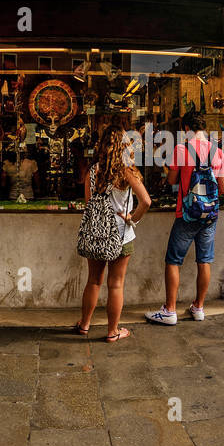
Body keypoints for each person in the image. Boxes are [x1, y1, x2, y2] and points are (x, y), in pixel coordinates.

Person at [71, 128, 148, 342]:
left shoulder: (93, 171)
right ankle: (112, 331)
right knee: (116, 283)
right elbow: (147, 201)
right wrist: (132, 219)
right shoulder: (127, 171)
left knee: (94, 281)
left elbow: (88, 206)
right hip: (121, 235)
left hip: (97, 233)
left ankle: (85, 324)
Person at [147, 136, 223, 326]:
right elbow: (222, 188)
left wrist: (171, 170)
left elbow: (172, 181)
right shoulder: (217, 151)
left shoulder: (182, 149)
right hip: (209, 215)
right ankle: (198, 307)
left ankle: (170, 310)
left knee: (173, 261)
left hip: (187, 213)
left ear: (187, 128)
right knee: (204, 260)